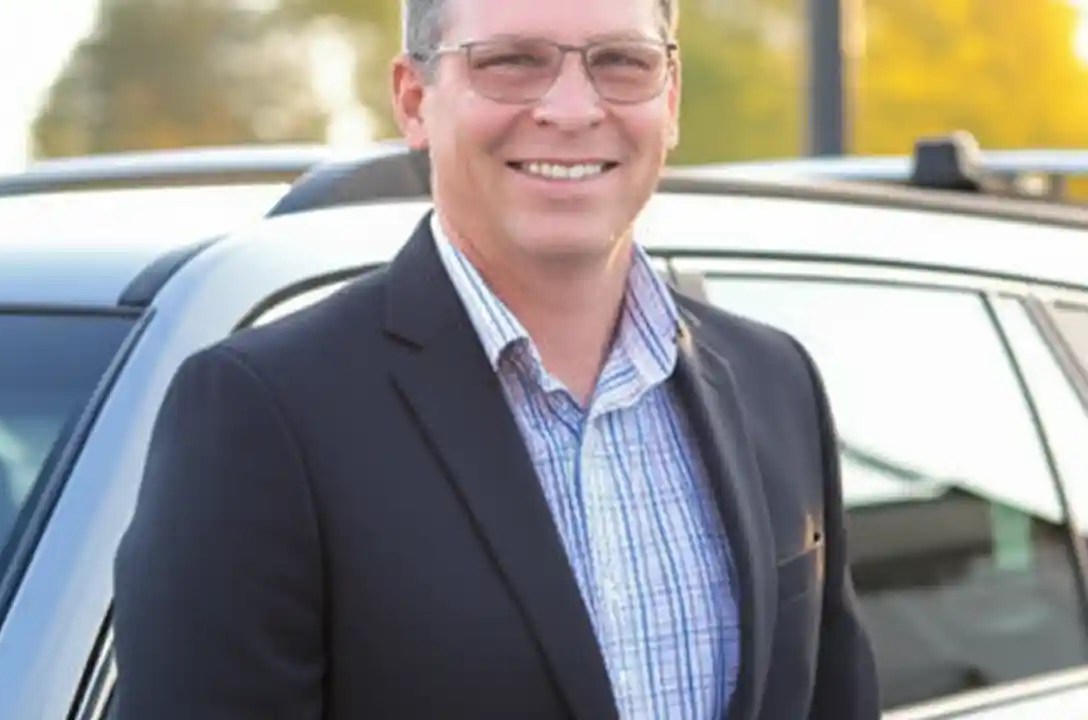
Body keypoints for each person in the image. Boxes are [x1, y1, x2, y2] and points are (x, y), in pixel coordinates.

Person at [111, 0, 881, 717]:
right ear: (414, 100)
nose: (573, 110)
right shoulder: (264, 414)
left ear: (670, 97)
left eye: (621, 61)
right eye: (511, 61)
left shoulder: (776, 382)